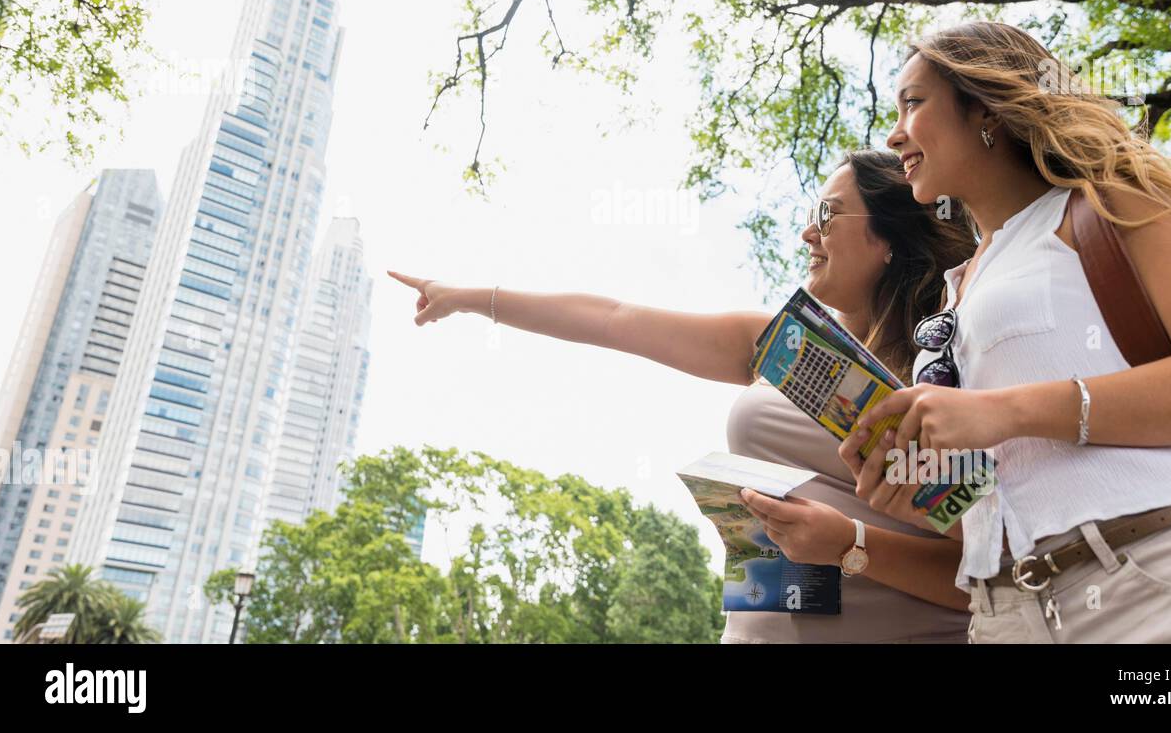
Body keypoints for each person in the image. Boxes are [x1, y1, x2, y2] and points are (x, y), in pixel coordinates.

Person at [389, 148, 978, 642]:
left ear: (888, 240)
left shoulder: (957, 372)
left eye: (827, 213)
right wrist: (471, 298)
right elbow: (615, 318)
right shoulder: (781, 345)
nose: (806, 232)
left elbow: (992, 569)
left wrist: (852, 545)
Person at [845, 20, 1171, 643]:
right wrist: (923, 492)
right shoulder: (952, 296)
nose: (894, 135)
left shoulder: (1111, 203)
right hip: (1008, 616)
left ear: (986, 110)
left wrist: (1008, 410)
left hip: (1166, 582)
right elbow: (1012, 490)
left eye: (912, 104)